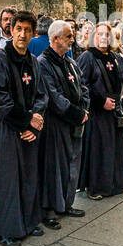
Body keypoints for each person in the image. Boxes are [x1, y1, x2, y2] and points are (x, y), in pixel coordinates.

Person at [0, 11, 48, 246]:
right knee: (7, 179)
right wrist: (26, 122)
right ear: (11, 29)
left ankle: (27, 222)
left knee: (28, 175)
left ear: (33, 33)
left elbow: (41, 94)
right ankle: (4, 228)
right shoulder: (0, 58)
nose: (23, 34)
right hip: (7, 127)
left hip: (28, 127)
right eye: (19, 28)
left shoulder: (32, 60)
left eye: (28, 30)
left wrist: (35, 121)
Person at [36, 21, 86, 219]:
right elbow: (53, 96)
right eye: (68, 36)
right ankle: (49, 209)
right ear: (55, 39)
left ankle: (66, 203)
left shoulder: (70, 62)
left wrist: (84, 109)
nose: (72, 40)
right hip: (55, 124)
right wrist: (77, 114)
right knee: (54, 167)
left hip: (74, 122)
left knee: (72, 164)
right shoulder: (43, 63)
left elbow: (83, 87)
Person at [79, 24, 123, 199]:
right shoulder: (87, 57)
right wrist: (101, 102)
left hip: (115, 109)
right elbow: (82, 85)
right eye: (99, 34)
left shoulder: (115, 57)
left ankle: (115, 184)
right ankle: (97, 187)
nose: (103, 37)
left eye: (107, 34)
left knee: (115, 148)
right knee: (99, 150)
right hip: (98, 111)